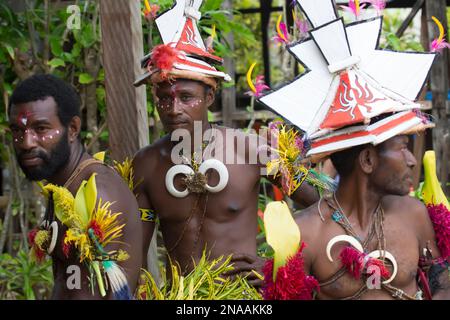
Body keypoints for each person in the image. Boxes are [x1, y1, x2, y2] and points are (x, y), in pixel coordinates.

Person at [259, 0, 449, 299]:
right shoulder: (306, 233)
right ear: (368, 159)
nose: (412, 161)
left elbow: (444, 281)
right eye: (402, 148)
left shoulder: (414, 215)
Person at [132, 0, 319, 287]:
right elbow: (134, 254)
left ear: (209, 97)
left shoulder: (252, 150)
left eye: (186, 97)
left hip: (245, 298)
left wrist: (276, 267)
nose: (173, 108)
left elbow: (322, 207)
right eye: (164, 99)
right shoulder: (147, 164)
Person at [9, 74, 143, 299]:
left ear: (72, 128)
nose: (26, 142)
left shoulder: (99, 193)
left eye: (41, 129)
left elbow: (110, 293)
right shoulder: (63, 186)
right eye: (17, 131)